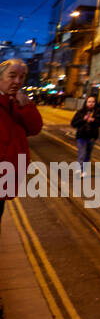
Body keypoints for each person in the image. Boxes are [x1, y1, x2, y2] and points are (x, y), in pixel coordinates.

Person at [0, 59, 43, 228]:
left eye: (22, 77)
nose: (17, 81)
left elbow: (34, 128)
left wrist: (26, 106)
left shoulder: (18, 102)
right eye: (12, 76)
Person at [71, 94, 100, 172]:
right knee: (82, 153)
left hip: (92, 136)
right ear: (86, 103)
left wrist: (93, 120)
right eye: (89, 102)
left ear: (95, 103)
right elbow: (73, 123)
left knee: (88, 154)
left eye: (93, 102)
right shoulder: (81, 112)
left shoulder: (99, 112)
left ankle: (84, 170)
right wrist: (83, 119)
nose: (91, 103)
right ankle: (79, 169)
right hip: (81, 135)